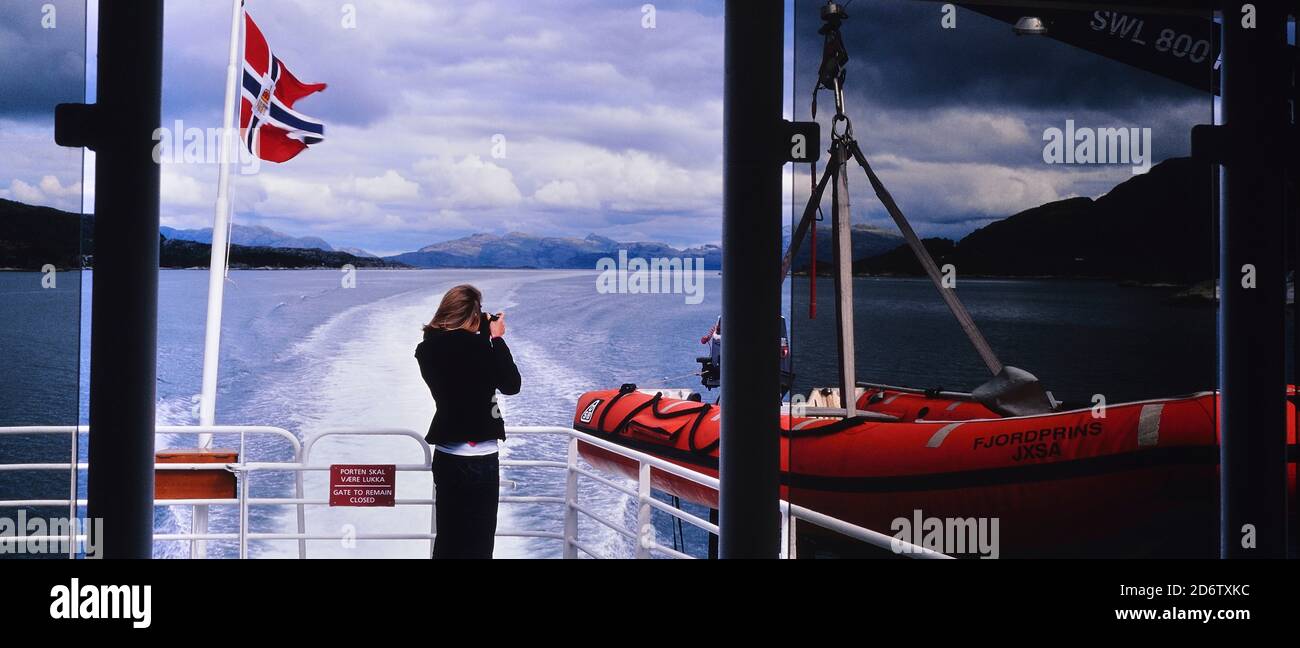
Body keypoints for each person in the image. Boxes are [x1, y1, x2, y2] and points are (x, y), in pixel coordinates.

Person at [415, 284, 521, 559]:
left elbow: (451, 352)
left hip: (448, 455)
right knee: (479, 540)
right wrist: (495, 337)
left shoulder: (426, 350)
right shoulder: (482, 348)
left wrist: (479, 331)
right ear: (471, 315)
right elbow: (511, 384)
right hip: (482, 457)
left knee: (449, 537)